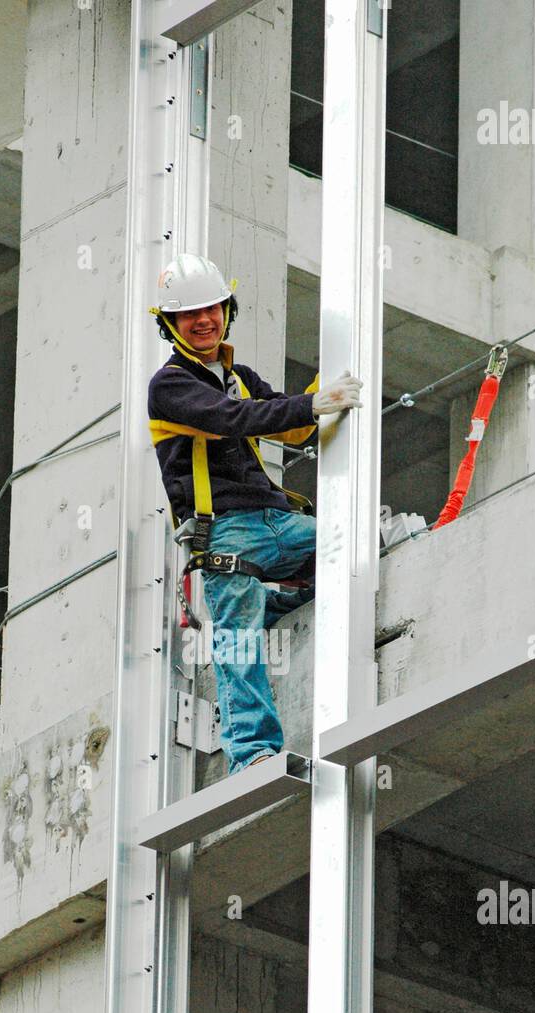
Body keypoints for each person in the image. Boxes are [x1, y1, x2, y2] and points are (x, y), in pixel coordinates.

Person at [147, 253, 362, 775]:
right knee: (238, 635)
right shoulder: (171, 386)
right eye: (189, 314)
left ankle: (266, 606)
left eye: (212, 308)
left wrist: (322, 388)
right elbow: (232, 420)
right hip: (227, 534)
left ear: (227, 308)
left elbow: (291, 428)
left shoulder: (237, 376)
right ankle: (253, 755)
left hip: (276, 520)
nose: (204, 320)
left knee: (358, 548)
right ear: (171, 325)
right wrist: (311, 404)